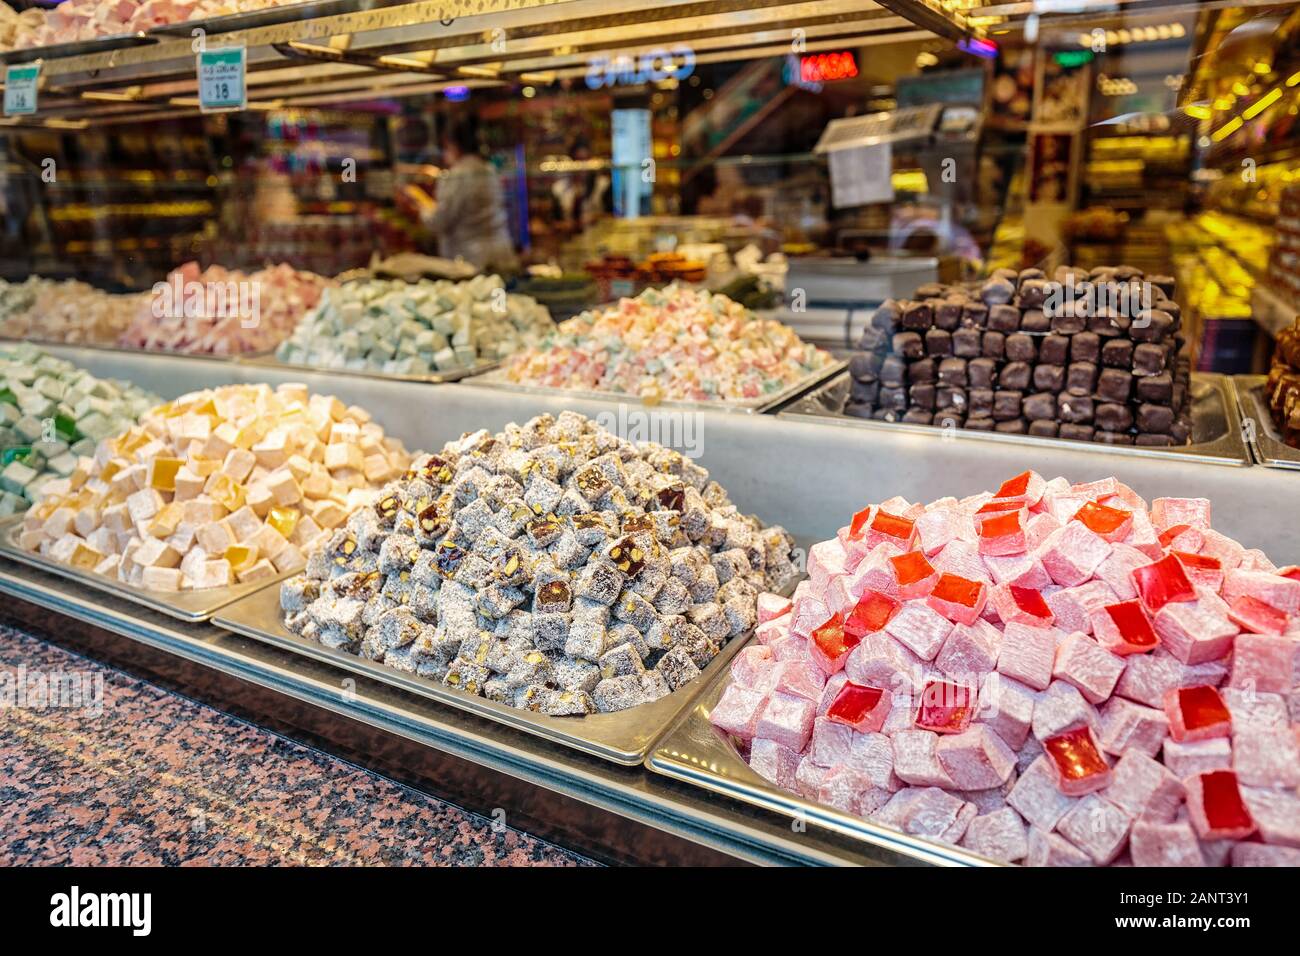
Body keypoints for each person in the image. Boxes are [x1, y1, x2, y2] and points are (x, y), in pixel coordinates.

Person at [421, 119, 519, 273]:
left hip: (469, 260)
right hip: (501, 251)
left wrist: (420, 208)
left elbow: (440, 221)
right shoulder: (489, 169)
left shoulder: (457, 176)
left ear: (453, 145)